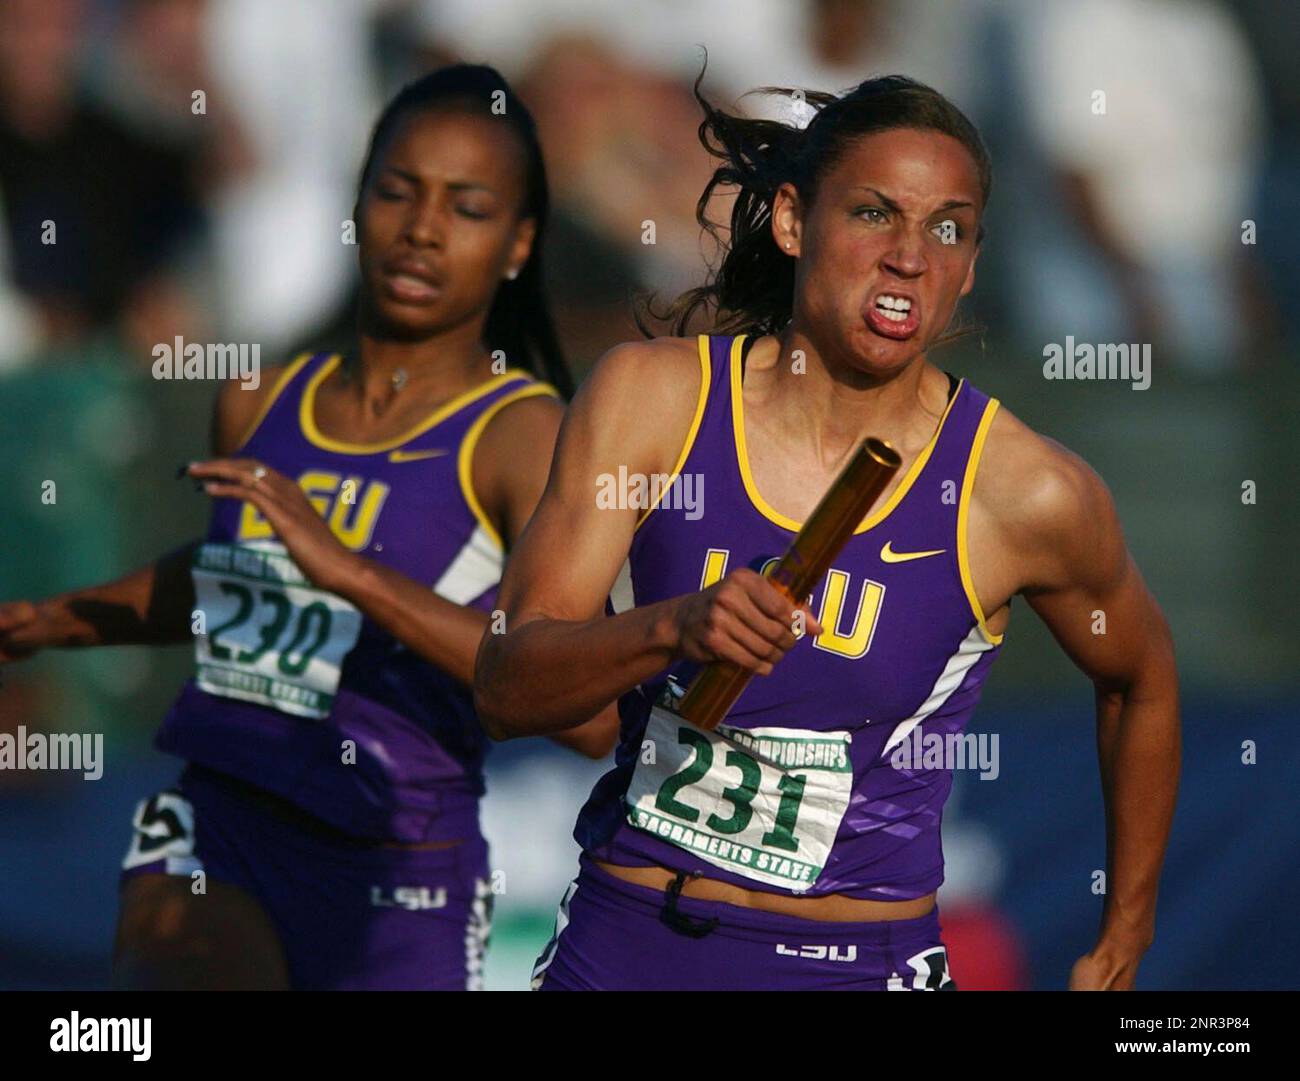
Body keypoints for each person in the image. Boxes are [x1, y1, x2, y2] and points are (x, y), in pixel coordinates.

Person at [473, 73, 1180, 991]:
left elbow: (1141, 681)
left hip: (855, 965)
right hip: (628, 940)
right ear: (794, 221)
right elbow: (507, 685)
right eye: (875, 214)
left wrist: (1124, 937)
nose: (910, 257)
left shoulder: (1024, 491)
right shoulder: (653, 401)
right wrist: (672, 627)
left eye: (947, 228)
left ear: (970, 265)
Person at [0, 64, 616, 990]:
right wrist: (57, 619)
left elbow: (589, 715)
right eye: (397, 191)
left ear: (519, 243)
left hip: (396, 859)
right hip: (220, 827)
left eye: (467, 206)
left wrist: (353, 575)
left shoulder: (522, 437)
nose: (420, 228)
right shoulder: (259, 399)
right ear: (357, 202)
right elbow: (230, 581)